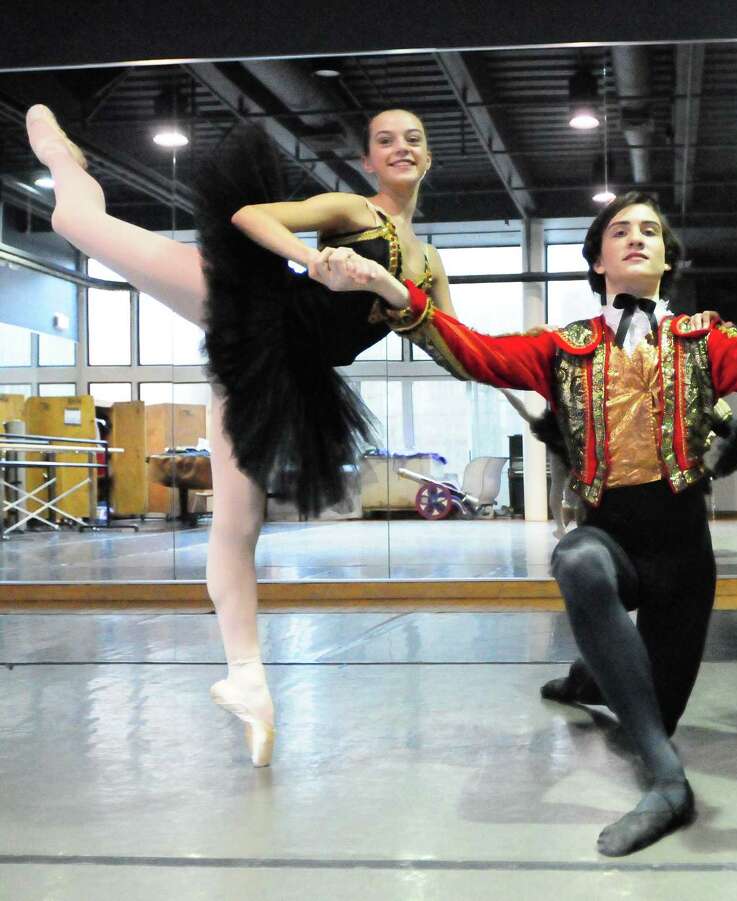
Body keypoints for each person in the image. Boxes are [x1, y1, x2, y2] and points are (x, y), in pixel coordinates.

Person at [321, 189, 737, 855]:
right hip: (609, 536)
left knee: (647, 707)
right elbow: (475, 352)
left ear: (665, 258)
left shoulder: (703, 340)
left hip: (684, 558)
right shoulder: (562, 347)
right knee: (579, 562)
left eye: (650, 230)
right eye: (620, 231)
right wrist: (392, 286)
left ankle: (586, 677)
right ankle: (670, 784)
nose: (637, 238)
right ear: (598, 262)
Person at [25, 105, 456, 766]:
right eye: (385, 140)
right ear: (369, 160)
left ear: (428, 157)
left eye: (414, 138)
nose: (401, 147)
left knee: (237, 524)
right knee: (73, 220)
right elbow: (251, 217)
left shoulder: (429, 264)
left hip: (278, 374)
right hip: (249, 302)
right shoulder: (353, 209)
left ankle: (247, 680)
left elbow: (453, 345)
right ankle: (63, 160)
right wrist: (313, 262)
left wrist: (520, 368)